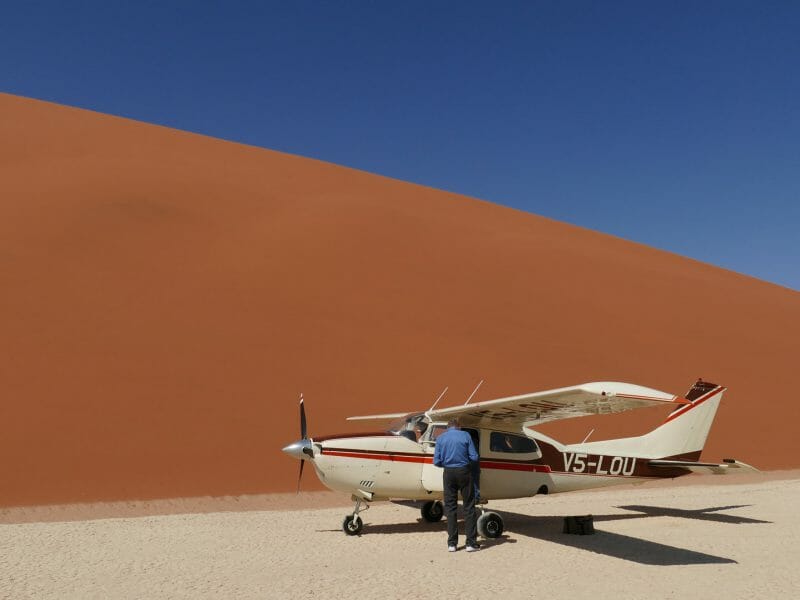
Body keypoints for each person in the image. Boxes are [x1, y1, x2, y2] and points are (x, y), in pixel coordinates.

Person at [433, 417, 480, 552]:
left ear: (448, 427)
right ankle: (471, 543)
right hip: (464, 472)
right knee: (469, 507)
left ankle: (452, 544)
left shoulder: (441, 438)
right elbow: (474, 457)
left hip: (448, 473)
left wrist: (448, 464)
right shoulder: (465, 435)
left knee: (450, 508)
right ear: (458, 426)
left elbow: (436, 461)